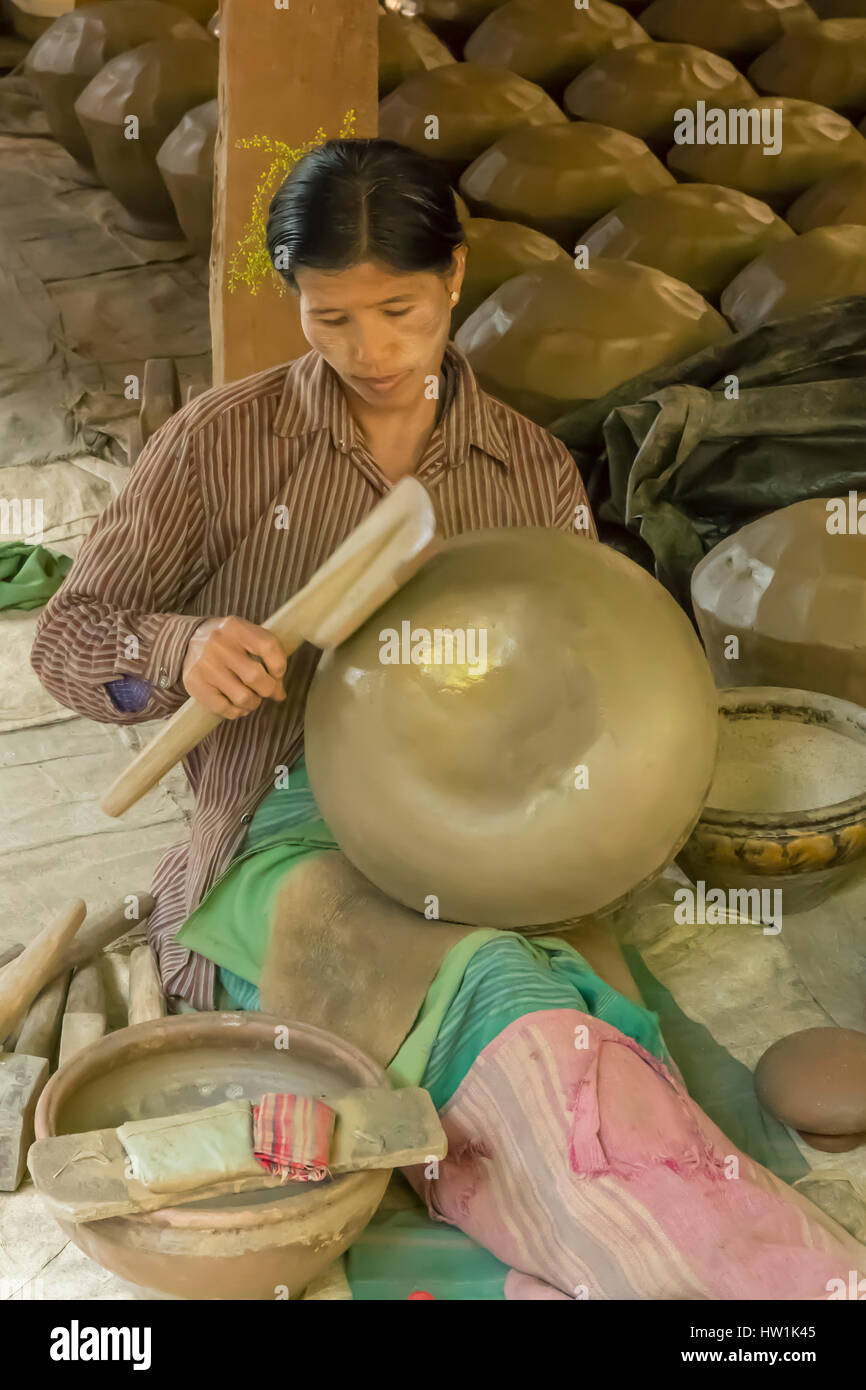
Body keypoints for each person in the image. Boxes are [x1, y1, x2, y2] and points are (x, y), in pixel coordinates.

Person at [30, 139, 865, 1299]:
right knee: (491, 990)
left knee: (578, 1005)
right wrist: (178, 648)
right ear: (293, 299)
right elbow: (68, 639)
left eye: (399, 310)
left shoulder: (525, 471)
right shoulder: (223, 442)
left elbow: (597, 680)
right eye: (329, 319)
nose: (370, 352)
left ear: (457, 277)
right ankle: (688, 1271)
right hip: (286, 832)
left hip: (495, 835)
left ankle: (724, 1265)